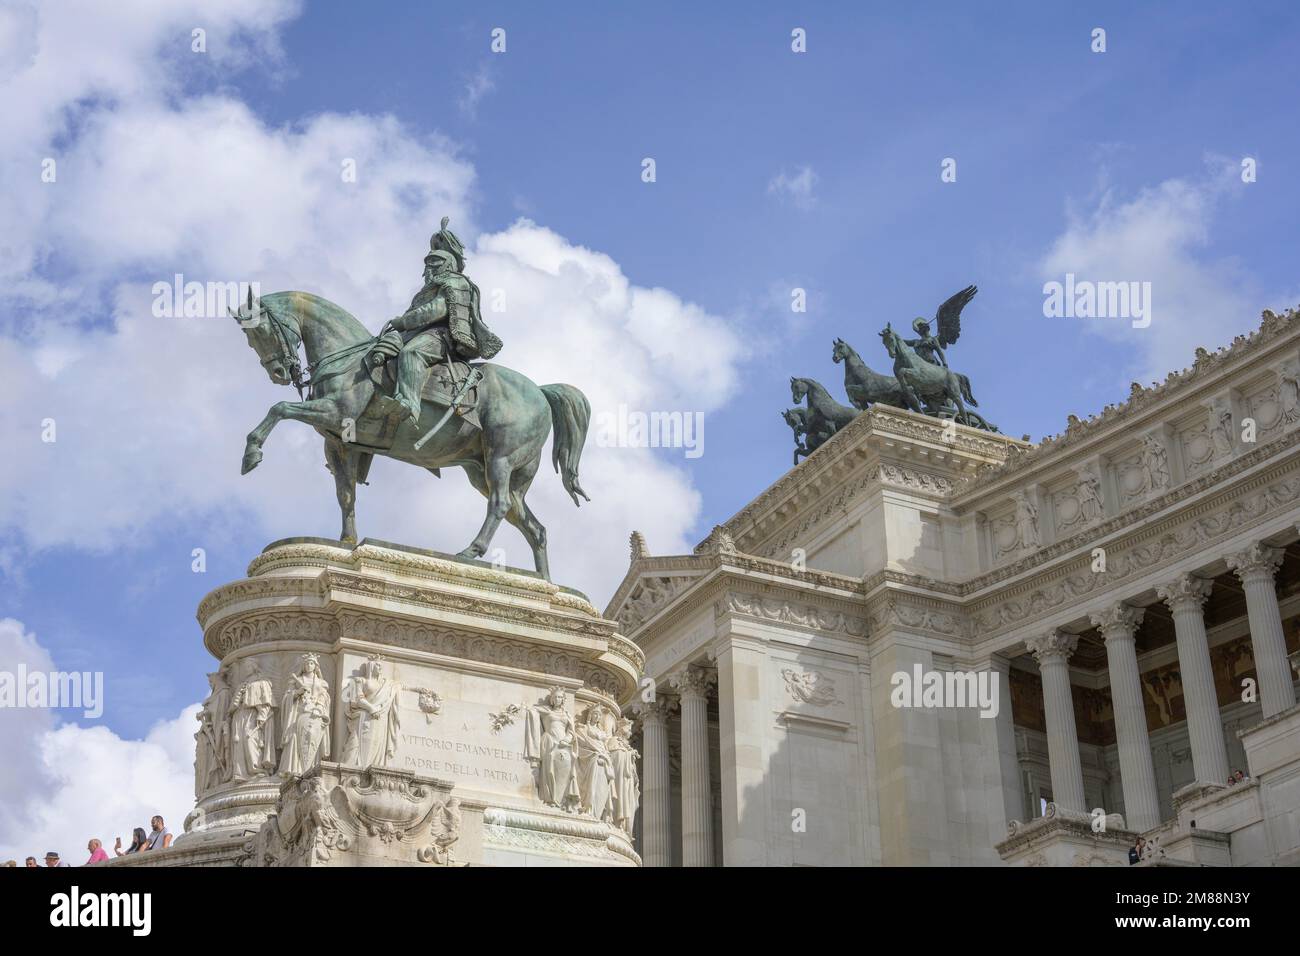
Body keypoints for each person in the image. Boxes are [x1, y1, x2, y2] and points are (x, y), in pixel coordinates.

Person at [374, 217, 502, 424]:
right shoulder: (426, 289)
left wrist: (403, 321)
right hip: (419, 333)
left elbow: (436, 310)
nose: (428, 269)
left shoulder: (456, 282)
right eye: (427, 264)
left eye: (434, 264)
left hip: (443, 337)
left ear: (447, 264)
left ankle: (408, 403)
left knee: (411, 353)